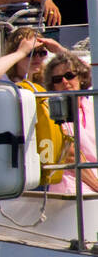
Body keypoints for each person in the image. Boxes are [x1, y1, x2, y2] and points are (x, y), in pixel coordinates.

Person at [0, 27, 67, 186]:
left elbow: (84, 75)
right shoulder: (6, 81)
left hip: (47, 153)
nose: (37, 58)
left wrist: (59, 50)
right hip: (18, 155)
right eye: (31, 53)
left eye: (42, 53)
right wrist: (21, 52)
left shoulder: (49, 80)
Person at [43, 51, 98, 194]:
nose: (65, 82)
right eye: (57, 79)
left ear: (81, 78)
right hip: (73, 186)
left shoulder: (92, 107)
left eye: (69, 76)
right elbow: (71, 155)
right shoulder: (53, 113)